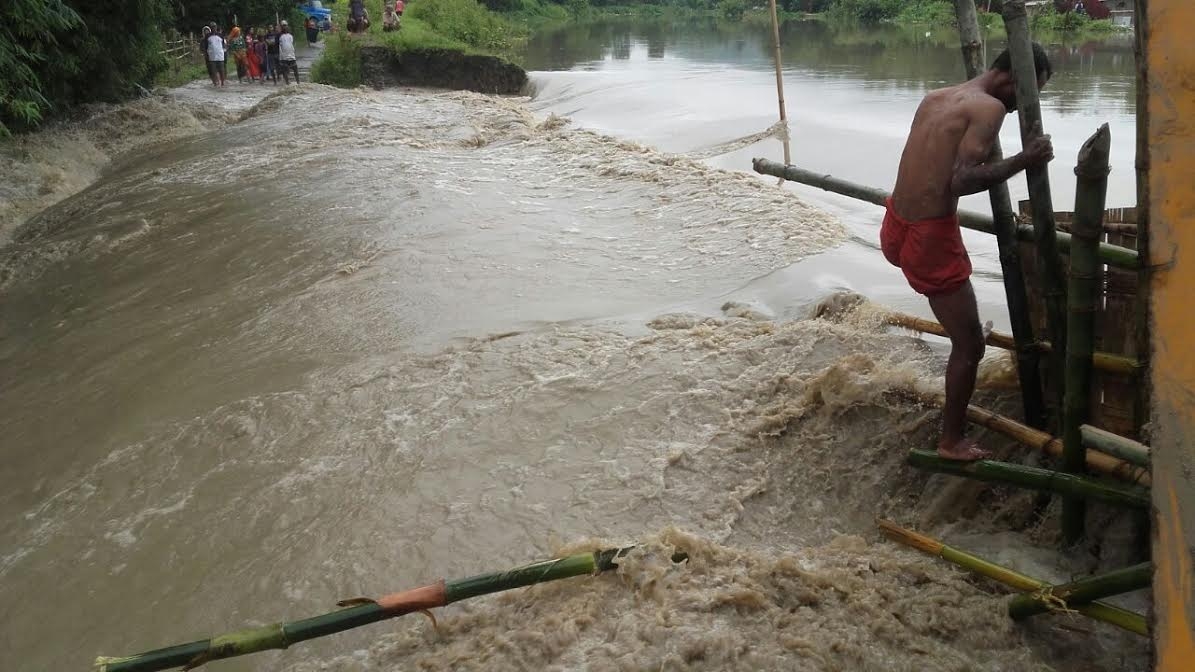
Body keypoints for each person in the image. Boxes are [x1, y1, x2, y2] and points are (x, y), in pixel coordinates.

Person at [882, 43, 1054, 461]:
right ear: (1010, 79)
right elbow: (960, 181)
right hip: (929, 238)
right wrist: (1023, 159)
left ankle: (965, 325)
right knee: (970, 346)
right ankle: (951, 441)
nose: (1021, 107)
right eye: (1029, 93)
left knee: (964, 327)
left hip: (895, 226)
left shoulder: (936, 97)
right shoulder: (989, 110)